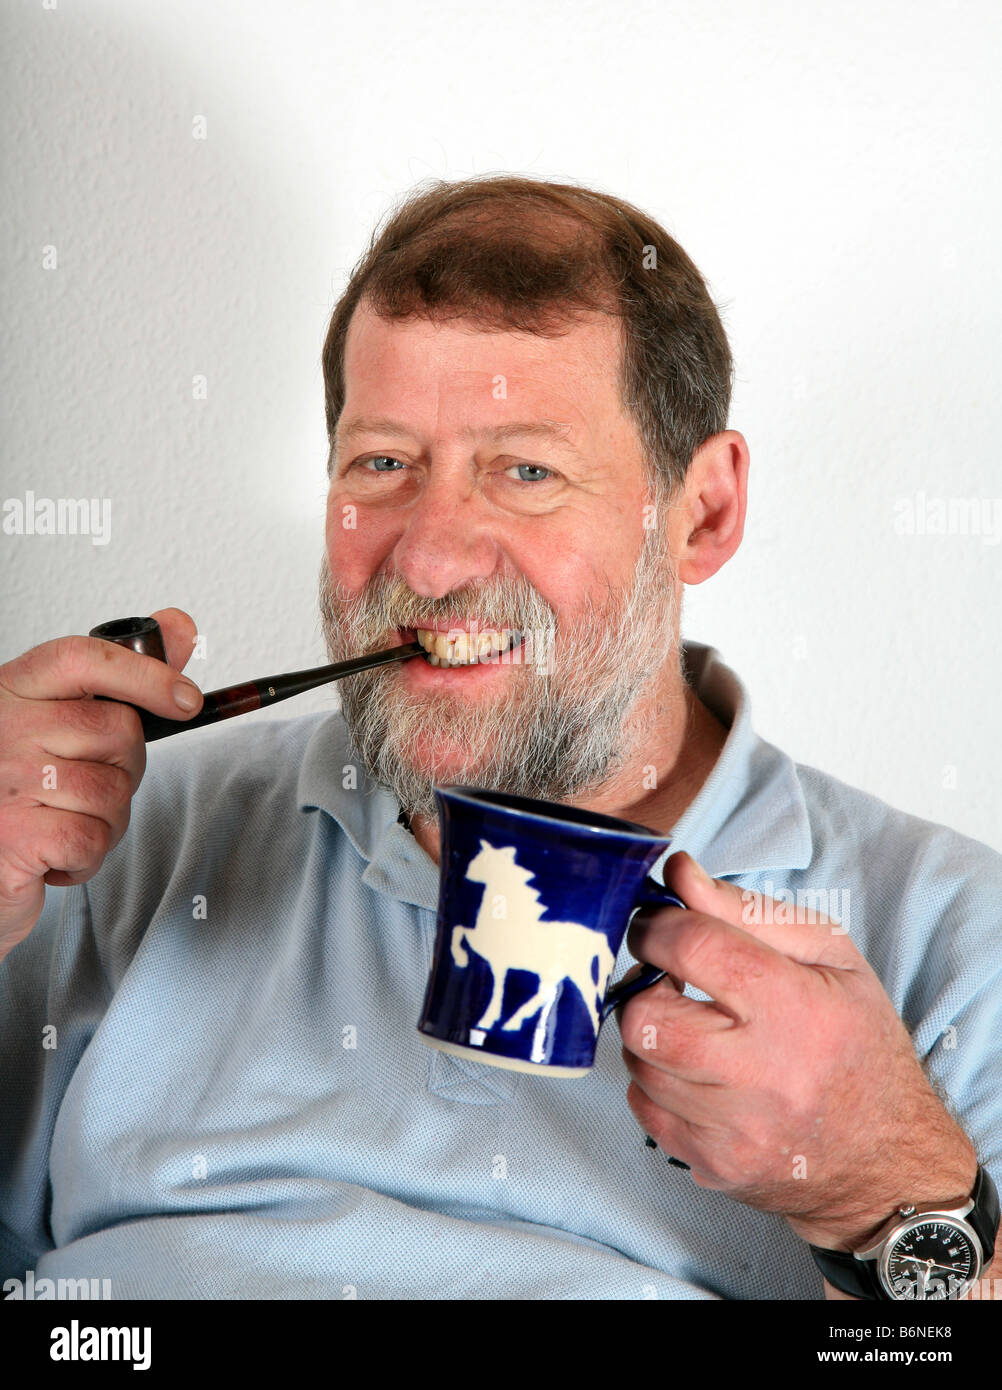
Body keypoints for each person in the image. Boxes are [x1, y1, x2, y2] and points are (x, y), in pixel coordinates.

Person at [1, 175, 999, 1302]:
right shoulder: (101, 837)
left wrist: (885, 1185)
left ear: (703, 512)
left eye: (526, 470)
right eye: (384, 462)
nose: (430, 559)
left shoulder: (952, 936)